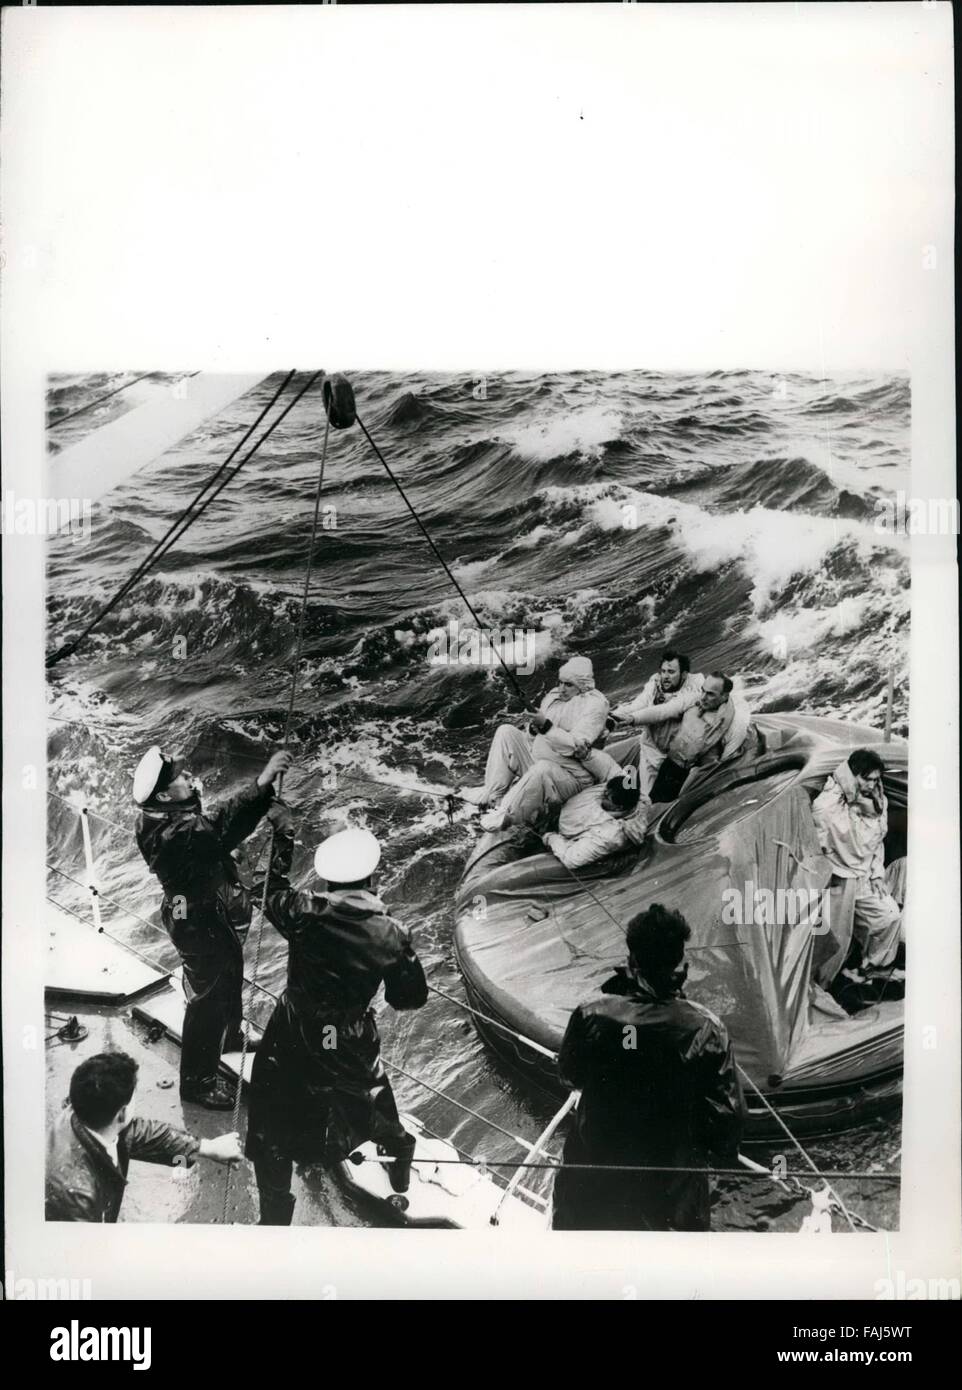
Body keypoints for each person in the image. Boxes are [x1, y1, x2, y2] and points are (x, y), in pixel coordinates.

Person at [245, 808, 428, 1225]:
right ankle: (398, 1162)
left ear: (328, 880)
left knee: (272, 1119)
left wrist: (283, 836)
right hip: (348, 1034)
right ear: (372, 880)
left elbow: (265, 888)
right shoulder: (391, 932)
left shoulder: (302, 913)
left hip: (294, 1028)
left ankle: (274, 1216)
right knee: (371, 1100)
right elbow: (409, 998)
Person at [552, 903, 744, 1231]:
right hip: (670, 1198)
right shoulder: (708, 1029)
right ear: (680, 967)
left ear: (632, 962)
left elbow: (570, 1074)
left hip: (593, 1187)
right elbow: (727, 1122)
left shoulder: (591, 1014)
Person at [134, 744, 291, 1109]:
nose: (190, 779)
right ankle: (197, 1082)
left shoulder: (161, 814)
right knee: (207, 998)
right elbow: (219, 827)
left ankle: (230, 1039)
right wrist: (263, 783)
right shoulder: (176, 831)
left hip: (199, 907)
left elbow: (209, 828)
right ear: (163, 794)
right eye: (180, 778)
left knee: (229, 974)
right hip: (195, 917)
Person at [46, 1052, 242, 1222]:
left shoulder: (83, 1112)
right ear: (122, 1114)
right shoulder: (77, 1199)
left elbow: (144, 1134)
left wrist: (206, 1147)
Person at [460, 656, 610, 831]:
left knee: (543, 768)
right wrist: (533, 730)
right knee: (506, 731)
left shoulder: (596, 705)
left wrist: (545, 726)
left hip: (573, 777)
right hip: (540, 760)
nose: (561, 689)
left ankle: (506, 814)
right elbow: (535, 738)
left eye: (568, 685)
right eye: (560, 682)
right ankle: (493, 795)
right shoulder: (554, 696)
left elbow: (576, 748)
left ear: (583, 686)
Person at [812, 748, 903, 982]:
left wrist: (876, 874)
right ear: (852, 775)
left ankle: (875, 966)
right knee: (833, 939)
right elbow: (826, 836)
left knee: (889, 916)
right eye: (866, 778)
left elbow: (876, 842)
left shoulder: (877, 802)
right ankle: (825, 982)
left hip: (864, 875)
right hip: (837, 879)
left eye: (876, 779)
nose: (872, 785)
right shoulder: (829, 803)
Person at [647, 672, 750, 803]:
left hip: (699, 774)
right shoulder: (696, 703)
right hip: (673, 764)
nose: (703, 697)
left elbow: (726, 765)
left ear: (725, 696)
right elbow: (664, 711)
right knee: (654, 799)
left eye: (710, 694)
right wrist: (631, 719)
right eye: (703, 691)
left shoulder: (735, 725)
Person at [610, 649, 704, 792]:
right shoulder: (655, 682)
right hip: (651, 748)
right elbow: (638, 704)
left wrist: (633, 719)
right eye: (663, 671)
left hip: (676, 755)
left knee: (674, 795)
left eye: (671, 672)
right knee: (646, 797)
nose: (665, 676)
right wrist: (612, 715)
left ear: (684, 674)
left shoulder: (694, 689)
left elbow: (667, 710)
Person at [542, 773, 651, 870]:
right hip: (560, 816)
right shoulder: (621, 791)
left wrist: (550, 838)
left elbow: (571, 860)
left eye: (607, 797)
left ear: (618, 807)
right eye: (605, 792)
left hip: (562, 834)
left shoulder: (611, 835)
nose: (602, 796)